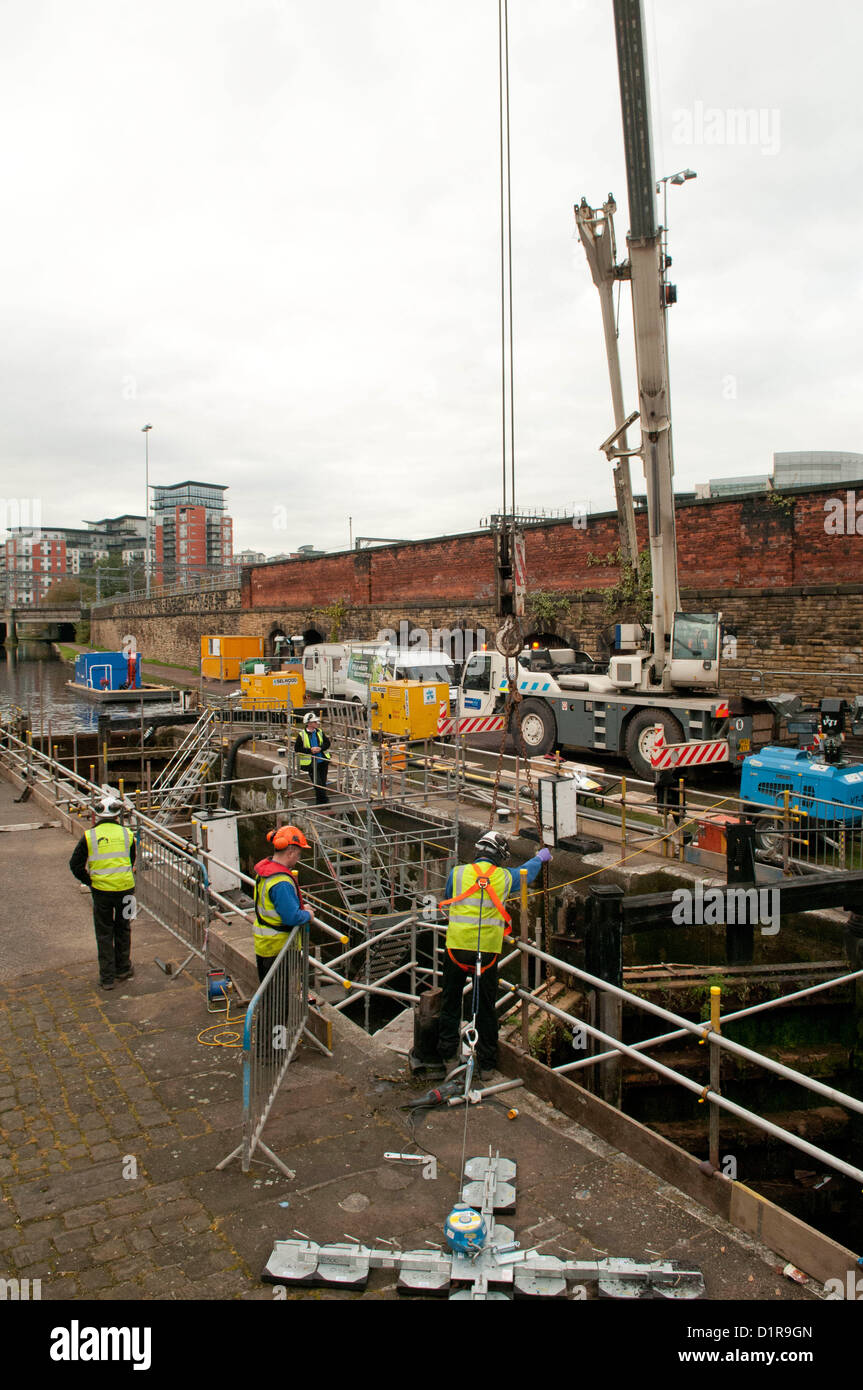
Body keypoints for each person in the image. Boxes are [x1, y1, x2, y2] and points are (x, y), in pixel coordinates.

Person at [437, 830, 551, 1078]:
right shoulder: (503, 878)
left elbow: (448, 898)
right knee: (486, 1008)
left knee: (451, 1002)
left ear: (478, 851)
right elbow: (526, 874)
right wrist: (540, 858)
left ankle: (447, 1056)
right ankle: (487, 1063)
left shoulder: (457, 873)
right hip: (486, 953)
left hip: (456, 949)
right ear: (500, 857)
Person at [69, 788, 136, 991]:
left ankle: (107, 978)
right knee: (124, 927)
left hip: (101, 892)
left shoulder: (89, 836)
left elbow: (75, 864)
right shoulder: (128, 834)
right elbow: (131, 859)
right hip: (127, 890)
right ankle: (123, 968)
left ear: (97, 814)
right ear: (118, 814)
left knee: (104, 931)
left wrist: (90, 881)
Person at [253, 824, 313, 981]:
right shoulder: (281, 882)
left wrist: (299, 907)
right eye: (298, 855)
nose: (298, 859)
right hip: (279, 948)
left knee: (270, 994)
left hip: (266, 945)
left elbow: (275, 905)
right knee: (279, 997)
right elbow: (291, 917)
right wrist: (307, 914)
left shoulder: (266, 872)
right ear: (290, 852)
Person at [295, 711, 331, 805]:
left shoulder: (319, 732)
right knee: (318, 784)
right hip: (311, 764)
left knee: (322, 783)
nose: (317, 723)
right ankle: (324, 802)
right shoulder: (301, 735)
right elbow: (297, 749)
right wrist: (310, 750)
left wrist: (320, 748)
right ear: (309, 723)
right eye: (315, 722)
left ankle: (321, 803)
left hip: (322, 761)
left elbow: (327, 743)